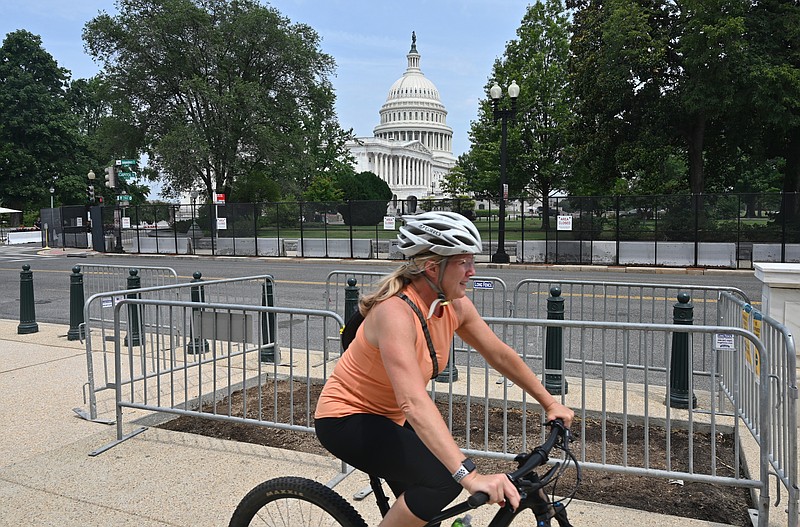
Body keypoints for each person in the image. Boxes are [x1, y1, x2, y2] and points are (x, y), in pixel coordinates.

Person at [314, 211, 574, 527]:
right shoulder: (394, 313)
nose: (472, 271)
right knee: (446, 479)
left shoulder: (452, 305)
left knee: (429, 513)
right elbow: (412, 400)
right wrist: (470, 476)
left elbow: (500, 355)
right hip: (346, 419)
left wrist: (549, 401)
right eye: (463, 261)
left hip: (390, 417)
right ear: (431, 266)